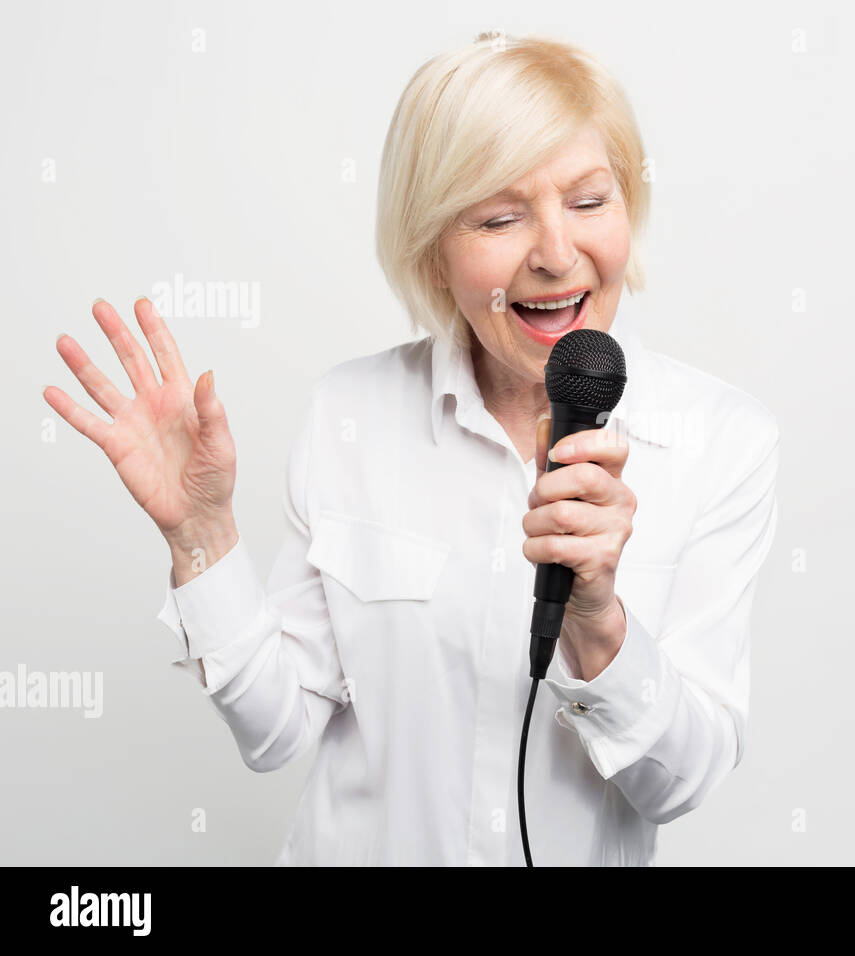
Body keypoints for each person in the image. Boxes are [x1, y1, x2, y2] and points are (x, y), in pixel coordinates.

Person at [42, 32, 779, 866]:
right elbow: (276, 732)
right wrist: (200, 535)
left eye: (587, 202)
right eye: (500, 217)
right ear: (434, 249)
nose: (555, 254)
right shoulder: (348, 414)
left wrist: (598, 618)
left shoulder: (722, 442)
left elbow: (679, 783)